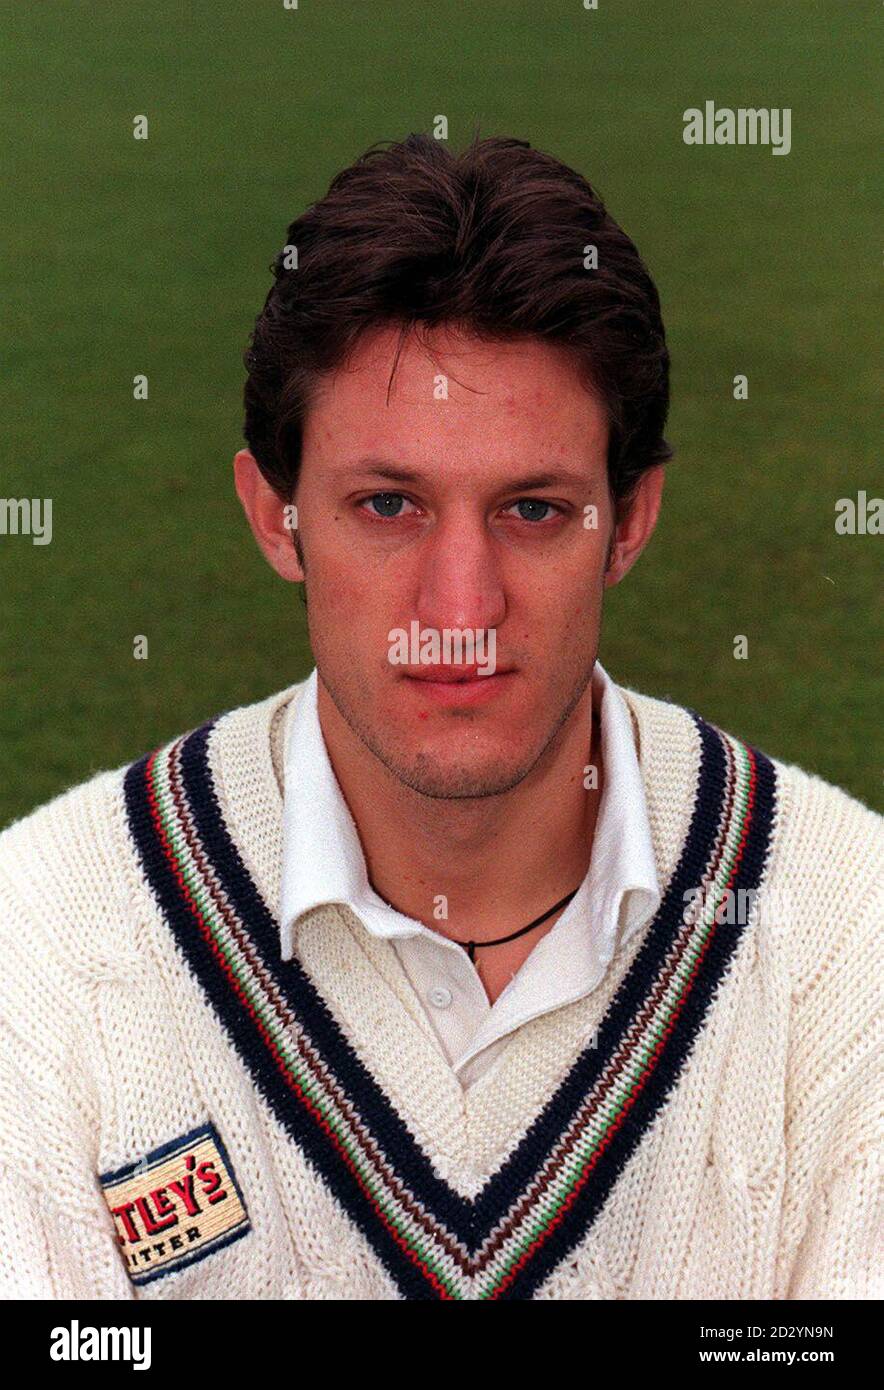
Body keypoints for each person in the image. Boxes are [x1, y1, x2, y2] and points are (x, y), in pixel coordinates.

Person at [0, 134, 880, 1301]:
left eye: (530, 508)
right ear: (275, 518)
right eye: (386, 504)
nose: (459, 607)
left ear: (627, 522)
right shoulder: (43, 943)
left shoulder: (846, 935)